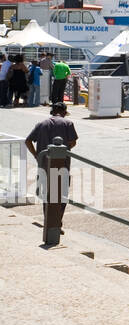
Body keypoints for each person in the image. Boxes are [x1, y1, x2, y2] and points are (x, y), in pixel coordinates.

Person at [25, 101, 78, 239]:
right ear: (64, 112)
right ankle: (57, 222)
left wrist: (37, 155)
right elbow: (73, 142)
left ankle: (49, 221)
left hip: (44, 165)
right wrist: (65, 150)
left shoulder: (41, 124)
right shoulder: (68, 124)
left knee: (46, 195)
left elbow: (28, 141)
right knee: (62, 194)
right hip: (63, 165)